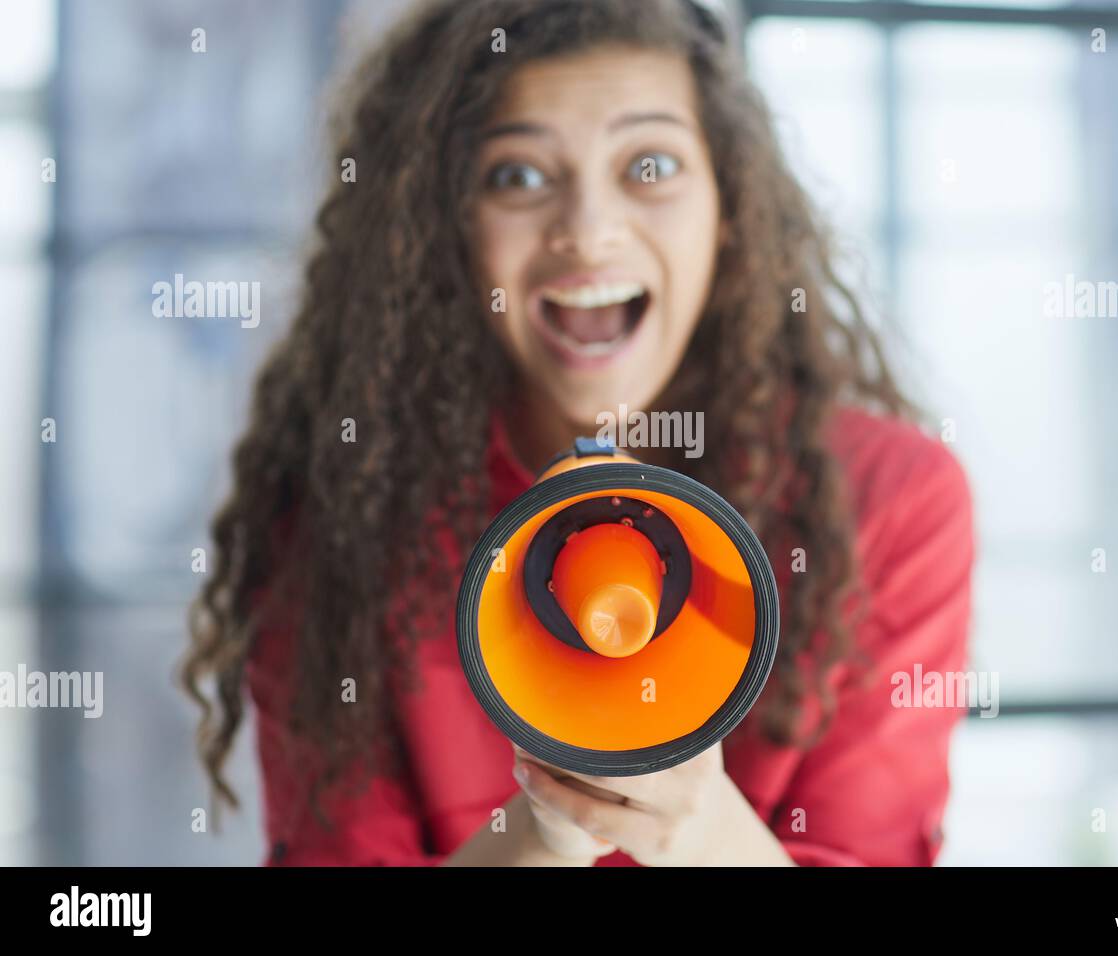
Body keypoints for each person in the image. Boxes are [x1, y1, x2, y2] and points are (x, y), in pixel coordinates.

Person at [181, 0, 974, 867]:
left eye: (652, 165)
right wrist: (542, 836)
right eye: (517, 177)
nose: (588, 232)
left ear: (730, 209)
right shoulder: (346, 500)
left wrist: (698, 824)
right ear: (444, 230)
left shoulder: (887, 499)